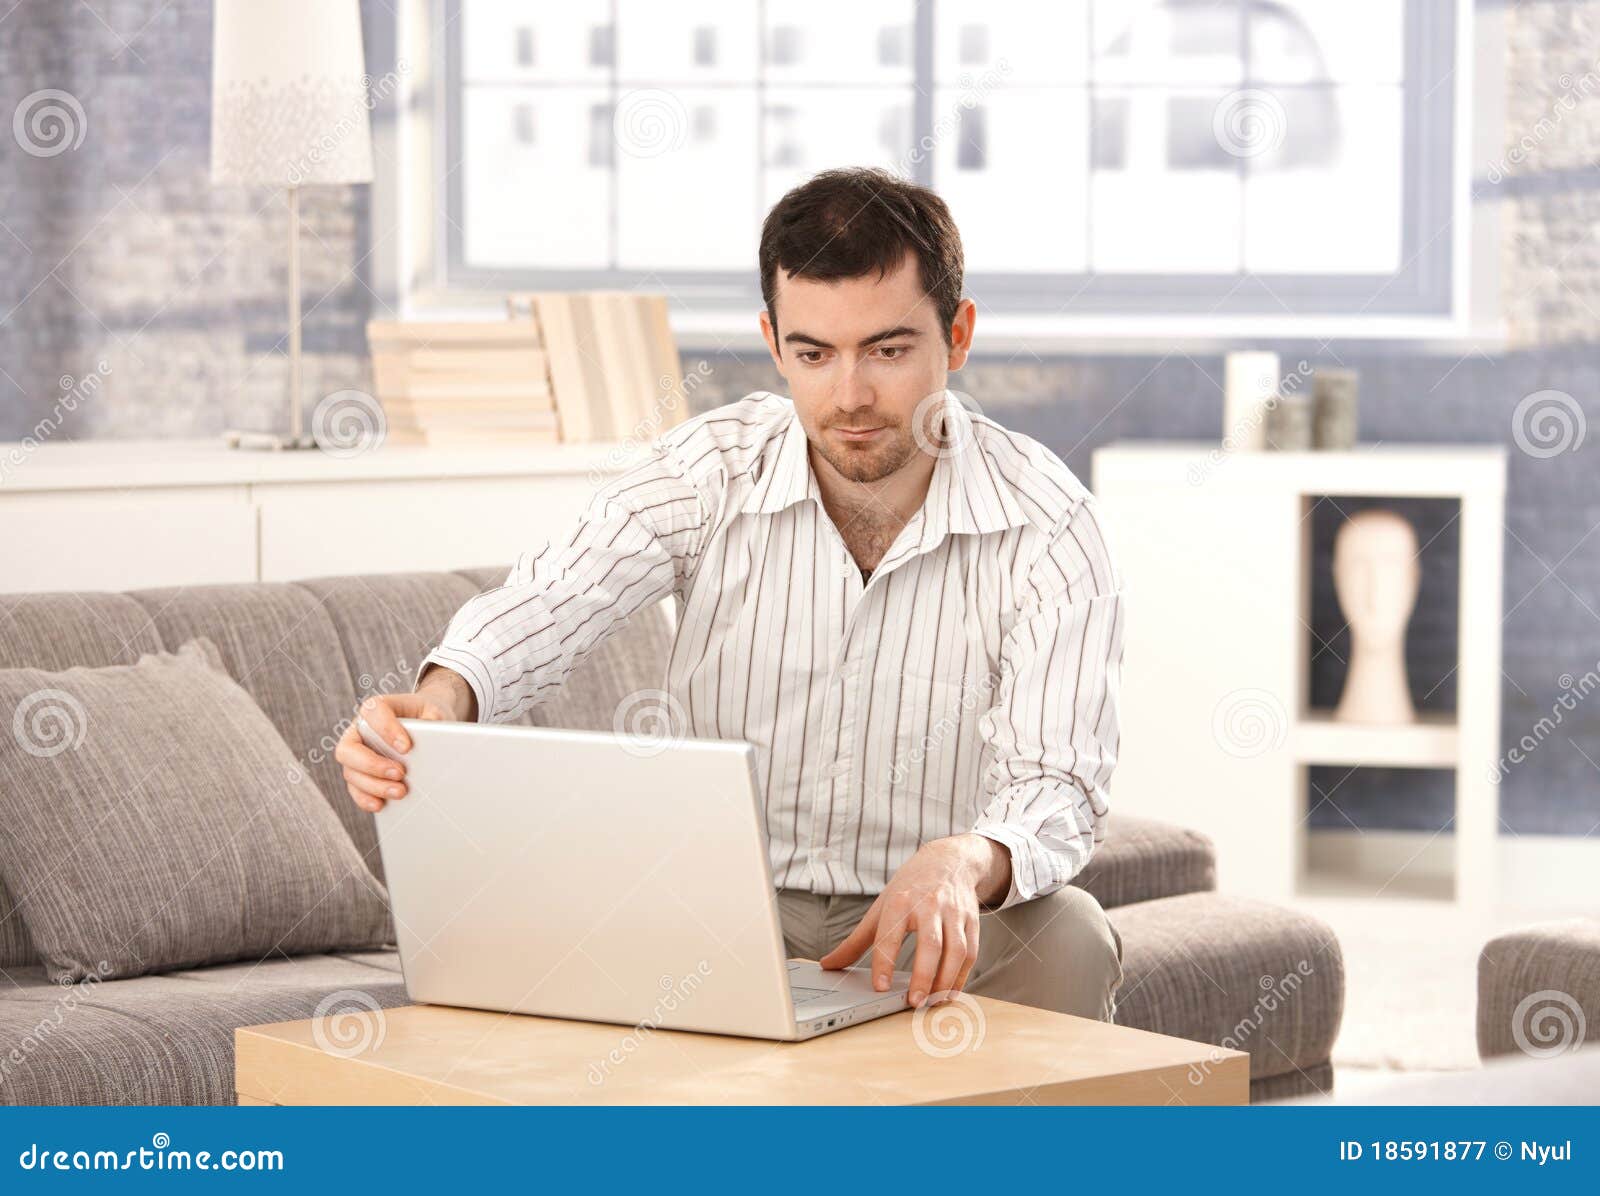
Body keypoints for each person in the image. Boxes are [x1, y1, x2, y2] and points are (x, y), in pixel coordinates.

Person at [335, 166, 1125, 1021]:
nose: (849, 395)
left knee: (1070, 938)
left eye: (888, 351)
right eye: (813, 354)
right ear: (773, 339)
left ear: (958, 334)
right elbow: (554, 594)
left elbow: (1060, 784)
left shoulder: (1051, 524)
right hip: (720, 906)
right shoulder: (710, 467)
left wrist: (966, 859)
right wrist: (446, 696)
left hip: (933, 917)